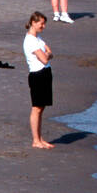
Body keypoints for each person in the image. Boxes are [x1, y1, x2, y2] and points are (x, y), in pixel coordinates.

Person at [23, 11, 56, 148]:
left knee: (41, 108)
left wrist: (47, 54)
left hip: (45, 73)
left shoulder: (38, 38)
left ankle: (39, 138)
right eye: (41, 23)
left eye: (44, 23)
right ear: (33, 23)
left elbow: (50, 52)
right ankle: (35, 140)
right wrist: (47, 55)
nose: (43, 26)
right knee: (36, 108)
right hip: (38, 75)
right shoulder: (30, 40)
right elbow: (44, 59)